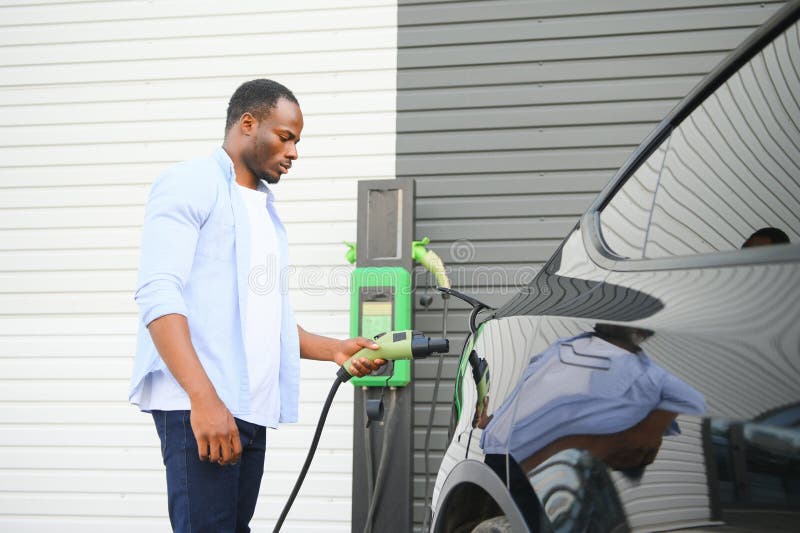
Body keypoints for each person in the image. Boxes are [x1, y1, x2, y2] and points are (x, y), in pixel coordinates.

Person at [128, 79, 384, 533]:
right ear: (249, 124)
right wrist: (203, 400)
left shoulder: (264, 210)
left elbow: (266, 318)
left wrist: (335, 350)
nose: (294, 152)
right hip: (201, 407)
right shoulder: (190, 182)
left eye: (297, 141)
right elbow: (158, 294)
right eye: (286, 137)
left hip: (247, 410)